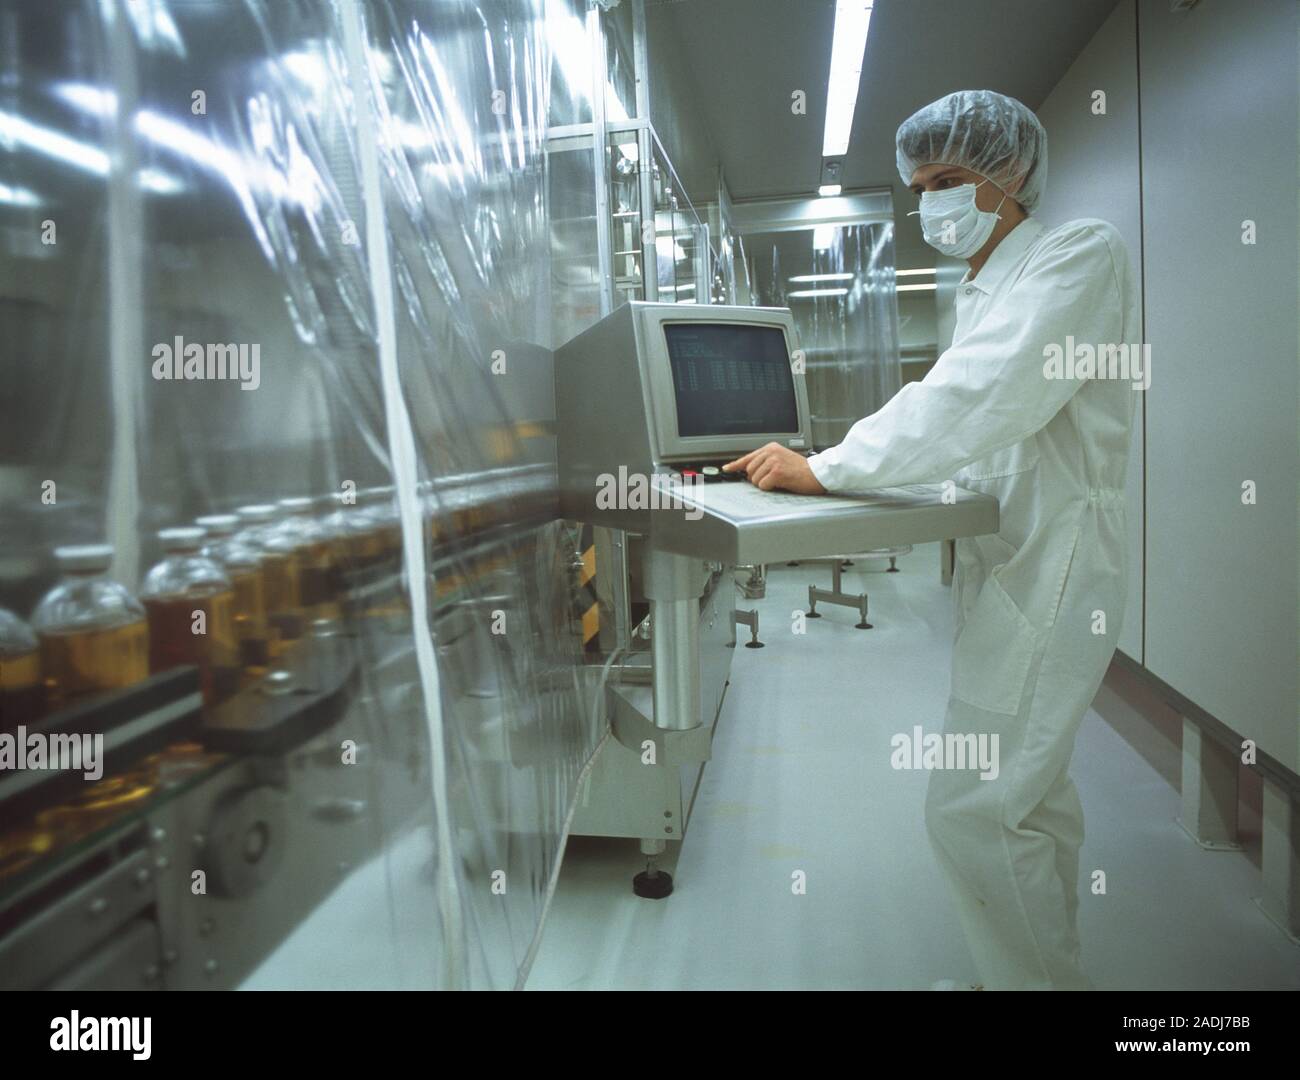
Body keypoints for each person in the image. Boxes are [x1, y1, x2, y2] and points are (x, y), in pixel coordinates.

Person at [723, 89, 1139, 990]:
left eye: (948, 178)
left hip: (1057, 561)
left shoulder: (1077, 254)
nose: (932, 202)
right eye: (920, 185)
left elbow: (984, 396)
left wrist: (829, 468)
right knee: (1031, 796)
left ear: (1010, 173)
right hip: (1007, 558)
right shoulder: (981, 286)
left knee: (978, 808)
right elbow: (980, 435)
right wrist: (865, 483)